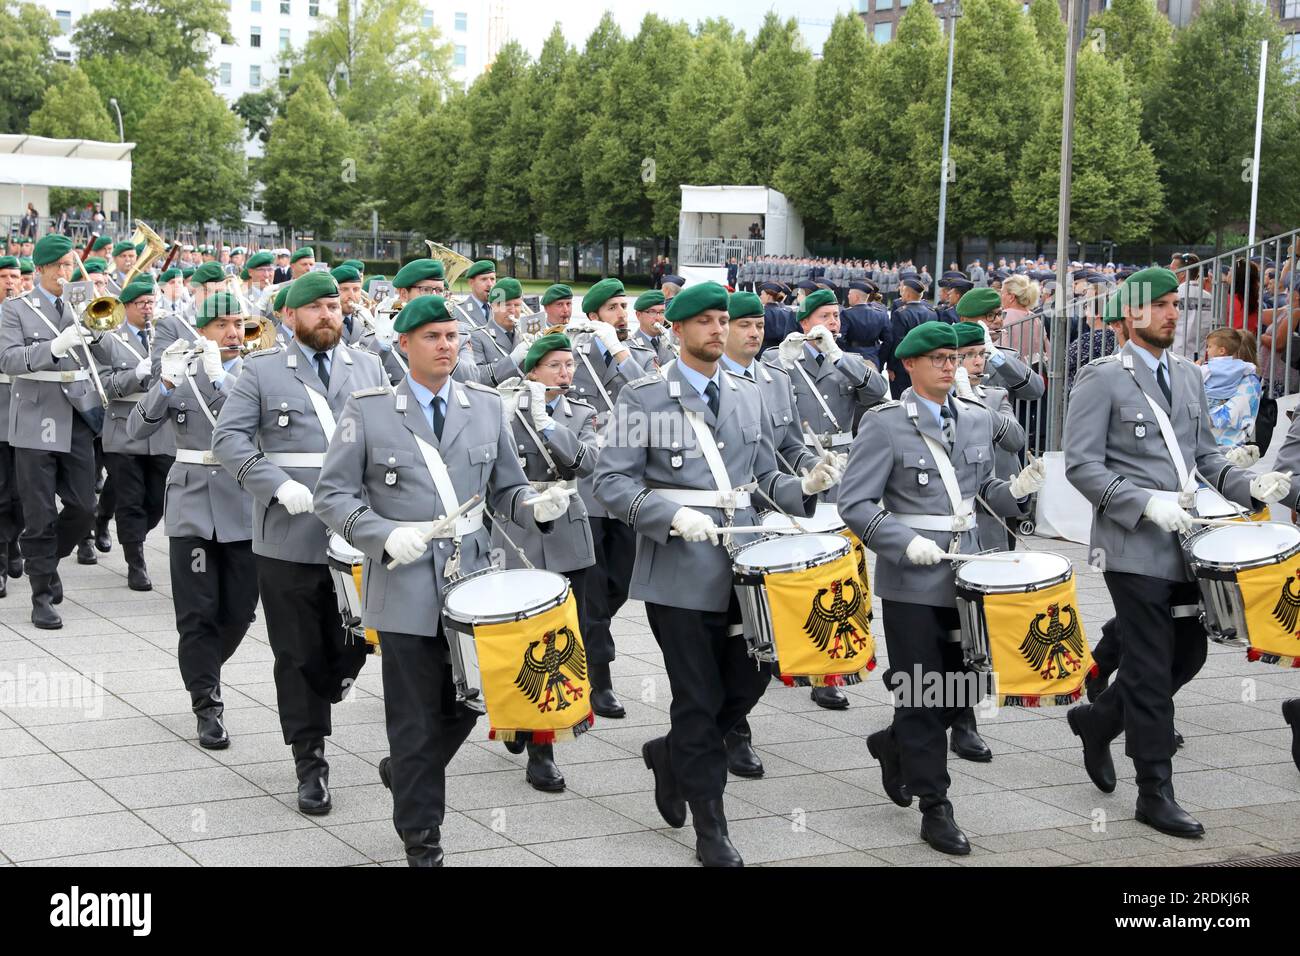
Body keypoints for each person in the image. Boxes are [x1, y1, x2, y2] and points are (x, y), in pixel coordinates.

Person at [313, 294, 570, 866]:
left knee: (471, 703)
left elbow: (505, 488)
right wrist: (378, 534)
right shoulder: (369, 409)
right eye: (432, 336)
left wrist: (536, 505)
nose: (447, 346)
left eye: (453, 336)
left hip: (474, 580)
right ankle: (422, 835)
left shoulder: (484, 405)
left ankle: (406, 770)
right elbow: (333, 496)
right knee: (413, 713)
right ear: (404, 344)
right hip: (403, 579)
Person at [595, 281, 835, 866]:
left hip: (745, 562)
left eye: (721, 320)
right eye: (703, 321)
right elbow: (610, 482)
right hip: (679, 569)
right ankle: (711, 821)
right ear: (676, 331)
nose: (718, 330)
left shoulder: (749, 391)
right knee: (698, 696)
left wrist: (801, 487)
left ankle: (671, 754)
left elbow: (756, 478)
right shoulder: (644, 397)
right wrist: (669, 513)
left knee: (756, 675)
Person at [1064, 267, 1291, 839]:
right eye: (1159, 305)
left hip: (1189, 544)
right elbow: (1082, 465)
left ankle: (1098, 720)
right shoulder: (1102, 379)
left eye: (1174, 304)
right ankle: (1154, 790)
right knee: (1146, 662)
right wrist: (1141, 503)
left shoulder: (1190, 376)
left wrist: (1252, 486)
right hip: (1134, 544)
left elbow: (1207, 459)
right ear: (1129, 316)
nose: (1172, 313)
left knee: (1186, 656)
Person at [839, 321, 1045, 855]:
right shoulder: (884, 425)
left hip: (969, 571)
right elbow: (855, 503)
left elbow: (980, 490)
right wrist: (901, 541)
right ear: (909, 365)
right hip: (912, 578)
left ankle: (892, 744)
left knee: (971, 685)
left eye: (954, 358)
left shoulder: (977, 418)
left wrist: (1016, 493)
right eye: (937, 359)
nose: (950, 366)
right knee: (922, 687)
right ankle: (936, 804)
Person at [212, 272, 388, 816]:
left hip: (358, 531)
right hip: (288, 534)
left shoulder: (370, 365)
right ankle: (309, 759)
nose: (327, 315)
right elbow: (229, 440)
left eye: (333, 306)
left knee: (356, 643)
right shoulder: (261, 370)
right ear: (289, 316)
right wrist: (274, 482)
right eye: (314, 308)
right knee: (295, 651)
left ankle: (330, 686)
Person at [128, 292, 258, 749]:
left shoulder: (255, 373)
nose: (233, 333)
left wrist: (224, 381)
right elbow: (135, 430)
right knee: (197, 611)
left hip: (243, 502)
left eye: (238, 323)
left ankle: (202, 670)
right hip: (192, 504)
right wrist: (164, 383)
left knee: (241, 609)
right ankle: (207, 702)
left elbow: (255, 432)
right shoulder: (181, 372)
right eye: (222, 324)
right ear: (201, 330)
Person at [490, 332, 600, 792]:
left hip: (568, 529)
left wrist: (548, 424)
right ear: (532, 371)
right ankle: (530, 734)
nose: (565, 374)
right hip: (518, 531)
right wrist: (512, 411)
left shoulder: (581, 412)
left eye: (569, 365)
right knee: (522, 638)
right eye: (554, 366)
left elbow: (587, 462)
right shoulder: (503, 410)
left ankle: (541, 738)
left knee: (564, 638)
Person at [0, 235, 106, 628]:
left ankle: (41, 560)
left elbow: (107, 355)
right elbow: (8, 359)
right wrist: (57, 345)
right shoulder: (16, 309)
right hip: (34, 415)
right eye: (59, 266)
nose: (66, 274)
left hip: (77, 413)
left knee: (83, 508)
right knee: (40, 512)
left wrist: (99, 331)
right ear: (41, 269)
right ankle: (41, 593)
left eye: (69, 265)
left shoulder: (81, 304)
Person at [565, 278, 657, 718]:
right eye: (614, 308)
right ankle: (599, 679)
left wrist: (618, 352)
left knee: (621, 580)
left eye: (626, 306)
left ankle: (582, 641)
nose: (622, 314)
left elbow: (654, 398)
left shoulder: (638, 355)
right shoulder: (570, 352)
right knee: (594, 589)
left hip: (625, 486)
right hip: (584, 489)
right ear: (594, 315)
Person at [92, 279, 175, 590]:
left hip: (160, 429)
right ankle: (135, 561)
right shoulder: (111, 340)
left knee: (158, 499)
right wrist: (135, 374)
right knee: (130, 500)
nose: (147, 308)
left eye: (150, 302)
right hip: (124, 428)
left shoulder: (165, 338)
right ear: (125, 307)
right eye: (140, 303)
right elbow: (105, 388)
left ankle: (107, 519)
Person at [1200, 328, 1261, 449]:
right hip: (1214, 442)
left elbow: (1231, 414)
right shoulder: (1242, 372)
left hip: (1227, 444)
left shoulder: (1250, 382)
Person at [466, 276, 531, 385]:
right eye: (506, 305)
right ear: (493, 306)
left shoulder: (525, 335)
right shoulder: (477, 337)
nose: (513, 310)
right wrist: (512, 360)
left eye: (517, 305)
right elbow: (476, 376)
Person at [630, 290, 675, 365]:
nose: (658, 318)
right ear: (638, 315)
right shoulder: (630, 345)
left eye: (662, 312)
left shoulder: (671, 340)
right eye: (652, 312)